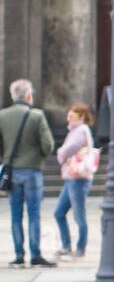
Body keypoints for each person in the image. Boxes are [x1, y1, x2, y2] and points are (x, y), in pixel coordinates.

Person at [0, 78, 56, 267]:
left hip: (12, 172)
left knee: (15, 215)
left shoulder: (3, 116)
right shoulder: (37, 116)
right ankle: (35, 255)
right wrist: (37, 155)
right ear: (29, 96)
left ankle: (18, 255)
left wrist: (6, 159)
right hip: (32, 171)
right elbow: (48, 146)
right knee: (34, 214)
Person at [54, 103, 97, 258]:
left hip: (78, 178)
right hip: (72, 178)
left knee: (79, 215)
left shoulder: (80, 130)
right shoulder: (76, 130)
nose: (68, 119)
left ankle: (80, 248)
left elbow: (68, 149)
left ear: (81, 117)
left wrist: (60, 153)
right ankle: (66, 246)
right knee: (59, 213)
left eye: (71, 116)